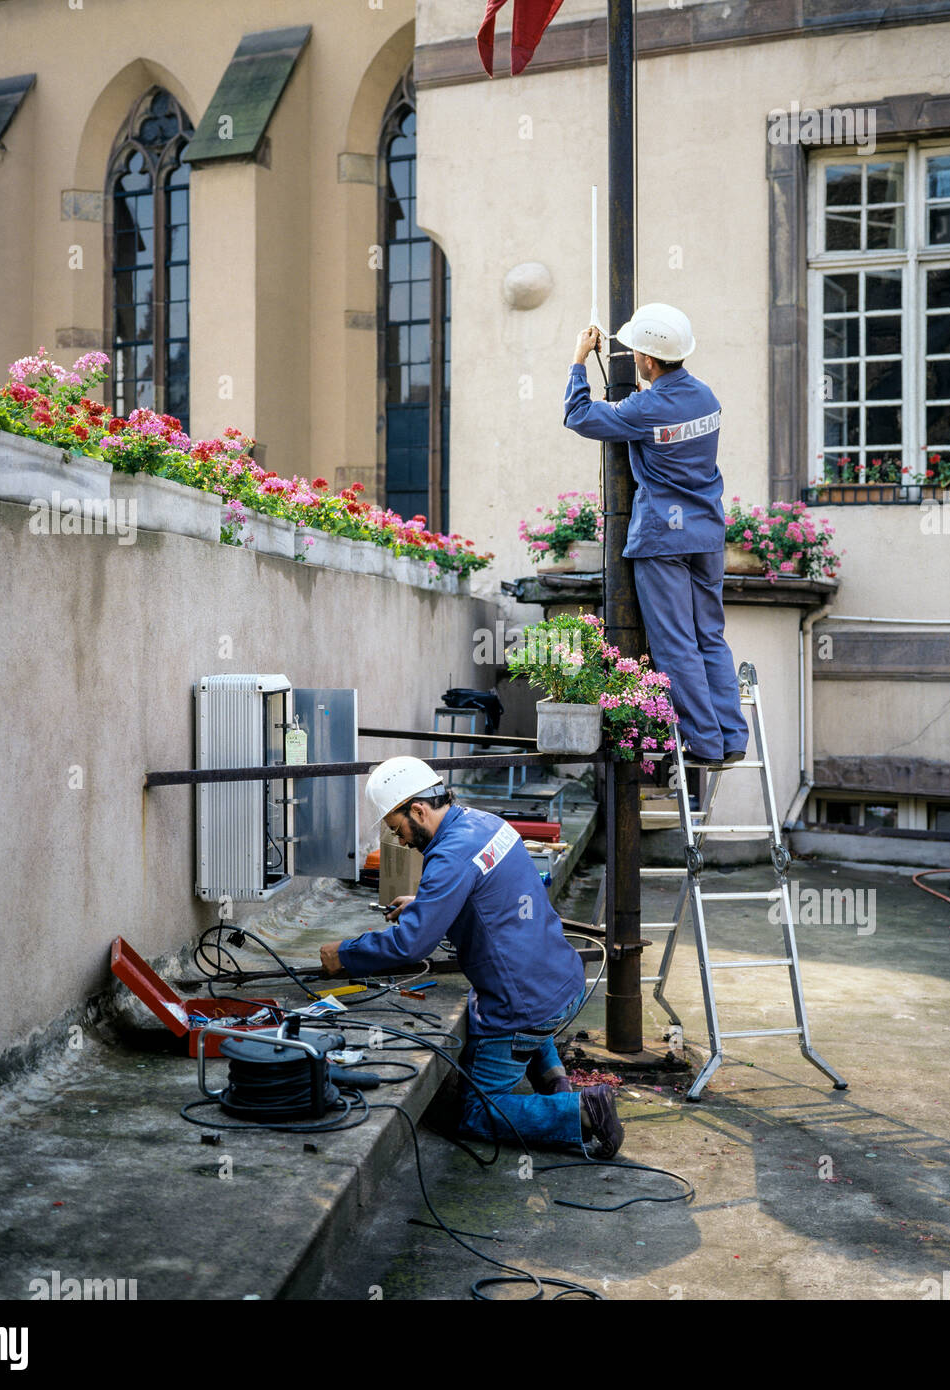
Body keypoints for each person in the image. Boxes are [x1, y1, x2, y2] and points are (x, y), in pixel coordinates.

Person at [318, 755, 623, 1157]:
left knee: (475, 1112)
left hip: (524, 1007)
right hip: (562, 982)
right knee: (527, 1010)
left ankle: (581, 1111)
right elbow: (484, 886)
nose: (402, 841)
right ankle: (555, 1083)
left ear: (418, 809)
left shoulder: (448, 857)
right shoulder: (484, 823)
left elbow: (411, 944)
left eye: (398, 829)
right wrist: (428, 902)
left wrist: (346, 954)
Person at [563, 304, 750, 766]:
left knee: (675, 643)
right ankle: (732, 737)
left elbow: (579, 415)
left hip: (664, 538)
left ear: (647, 360)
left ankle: (705, 744)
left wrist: (579, 359)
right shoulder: (706, 397)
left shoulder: (646, 408)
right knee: (710, 636)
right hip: (706, 533)